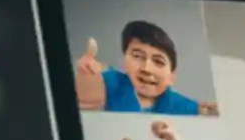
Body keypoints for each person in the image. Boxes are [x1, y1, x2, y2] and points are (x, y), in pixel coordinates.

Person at [74, 20, 219, 116]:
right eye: (137, 56)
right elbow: (85, 95)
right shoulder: (112, 83)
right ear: (125, 60)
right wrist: (87, 74)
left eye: (158, 61)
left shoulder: (180, 105)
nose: (146, 68)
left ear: (171, 77)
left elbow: (207, 113)